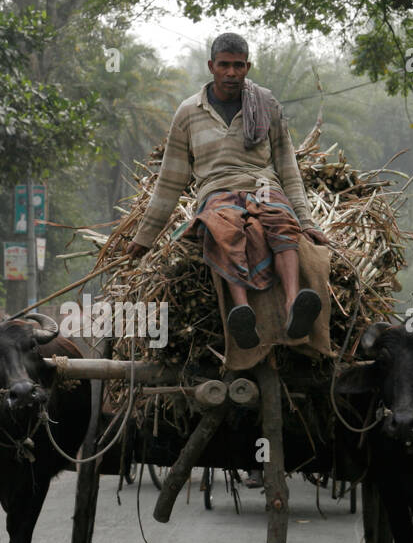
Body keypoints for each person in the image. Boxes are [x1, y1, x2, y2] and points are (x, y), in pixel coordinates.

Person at [127, 32, 332, 348]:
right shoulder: (188, 112)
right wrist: (144, 237)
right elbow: (170, 181)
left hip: (263, 186)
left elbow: (288, 168)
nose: (232, 73)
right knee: (224, 225)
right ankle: (241, 311)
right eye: (224, 65)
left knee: (280, 218)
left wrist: (305, 221)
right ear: (211, 66)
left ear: (248, 67)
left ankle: (294, 303)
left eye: (238, 66)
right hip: (217, 190)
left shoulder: (266, 104)